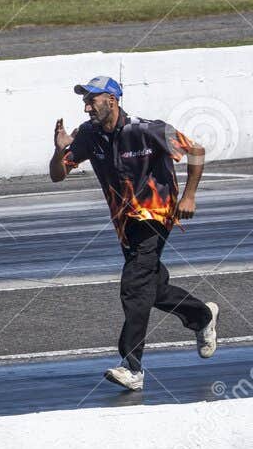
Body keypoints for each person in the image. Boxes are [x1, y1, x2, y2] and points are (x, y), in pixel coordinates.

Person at [50, 76, 219, 393]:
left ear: (112, 101)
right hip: (125, 224)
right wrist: (59, 152)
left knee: (133, 287)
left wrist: (189, 196)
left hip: (156, 215)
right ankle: (202, 316)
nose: (86, 108)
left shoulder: (146, 130)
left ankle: (132, 367)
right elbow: (57, 176)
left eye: (91, 101)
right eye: (85, 102)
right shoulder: (88, 135)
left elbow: (196, 150)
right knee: (152, 288)